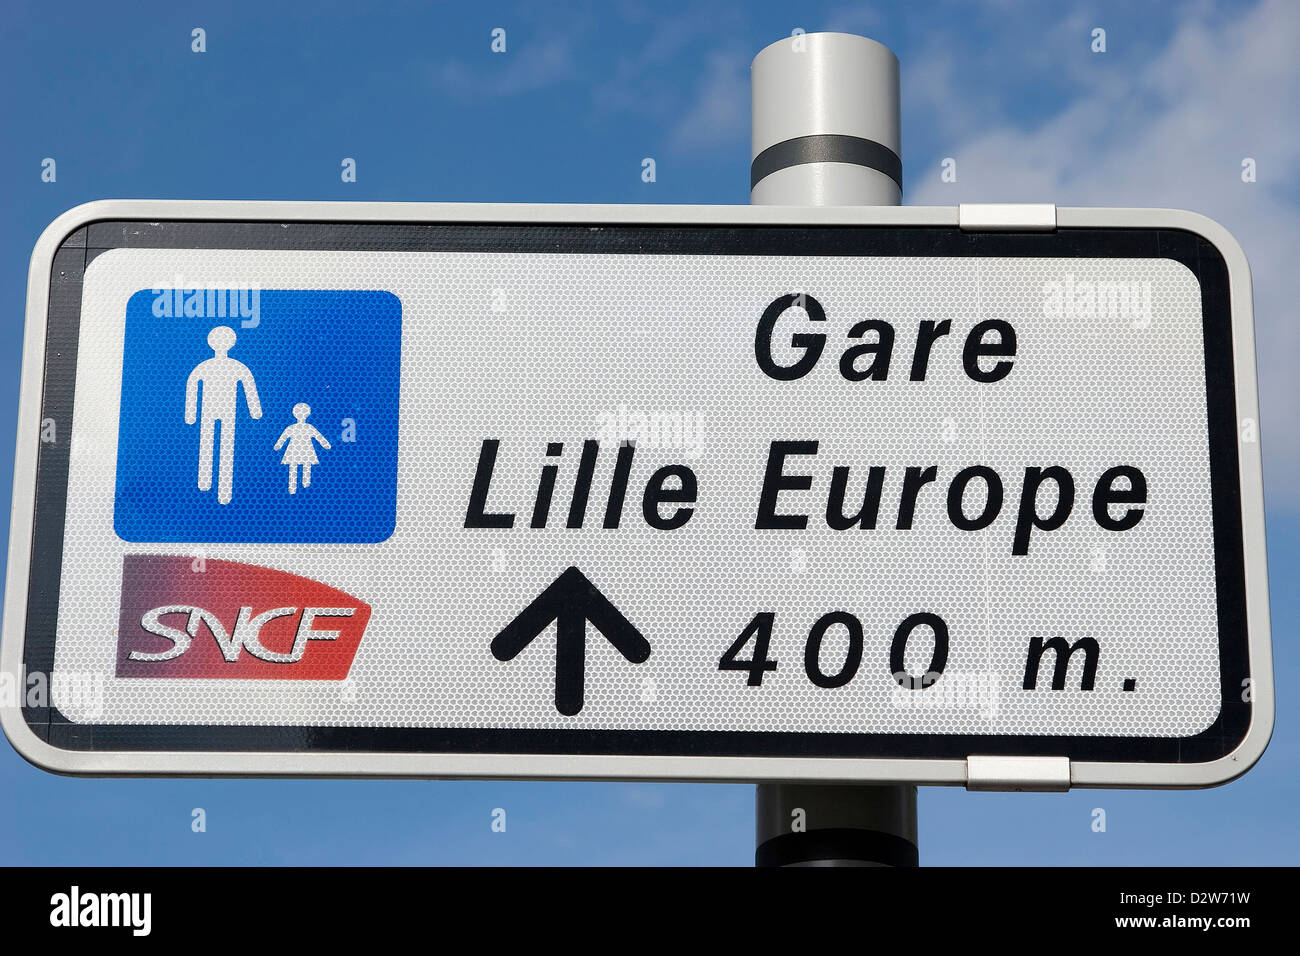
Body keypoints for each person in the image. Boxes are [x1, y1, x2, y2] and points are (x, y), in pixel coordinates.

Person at [185, 326, 261, 505]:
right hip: (212, 410)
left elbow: (249, 386)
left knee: (221, 445)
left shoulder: (232, 366)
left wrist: (255, 411)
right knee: (212, 443)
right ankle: (207, 484)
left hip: (226, 411)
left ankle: (219, 488)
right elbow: (192, 386)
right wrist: (190, 414)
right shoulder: (209, 366)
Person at [274, 403, 331, 494]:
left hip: (300, 450)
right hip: (300, 450)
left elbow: (318, 437)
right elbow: (319, 437)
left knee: (299, 468)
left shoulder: (295, 427)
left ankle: (298, 488)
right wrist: (326, 445)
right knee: (301, 467)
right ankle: (301, 487)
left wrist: (278, 446)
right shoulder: (303, 427)